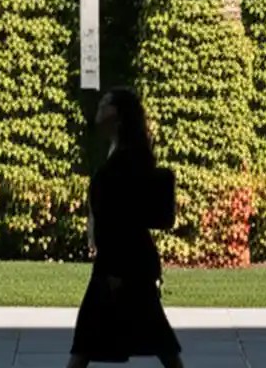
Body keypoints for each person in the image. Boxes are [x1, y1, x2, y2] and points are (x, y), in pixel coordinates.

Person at [68, 87, 184, 368]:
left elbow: (121, 216)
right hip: (126, 260)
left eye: (105, 103)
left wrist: (115, 267)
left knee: (91, 337)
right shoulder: (119, 151)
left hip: (122, 262)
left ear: (117, 115)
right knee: (154, 336)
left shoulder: (127, 158)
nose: (99, 107)